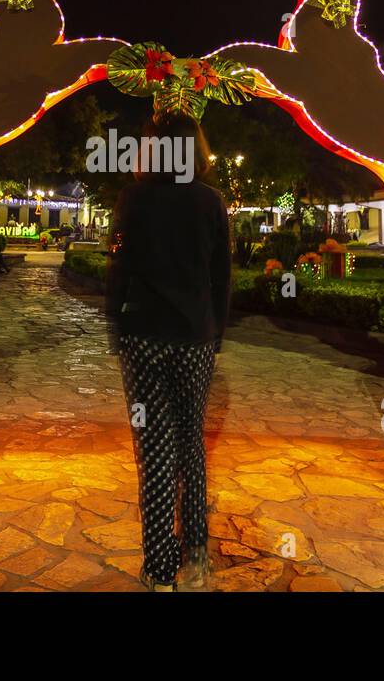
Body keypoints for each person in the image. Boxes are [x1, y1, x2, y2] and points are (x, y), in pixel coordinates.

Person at [105, 112, 231, 592]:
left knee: (154, 451)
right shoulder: (211, 202)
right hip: (195, 338)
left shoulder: (135, 198)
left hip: (145, 337)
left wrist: (116, 322)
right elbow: (222, 276)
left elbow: (120, 267)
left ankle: (159, 571)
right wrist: (214, 333)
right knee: (190, 442)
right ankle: (196, 550)